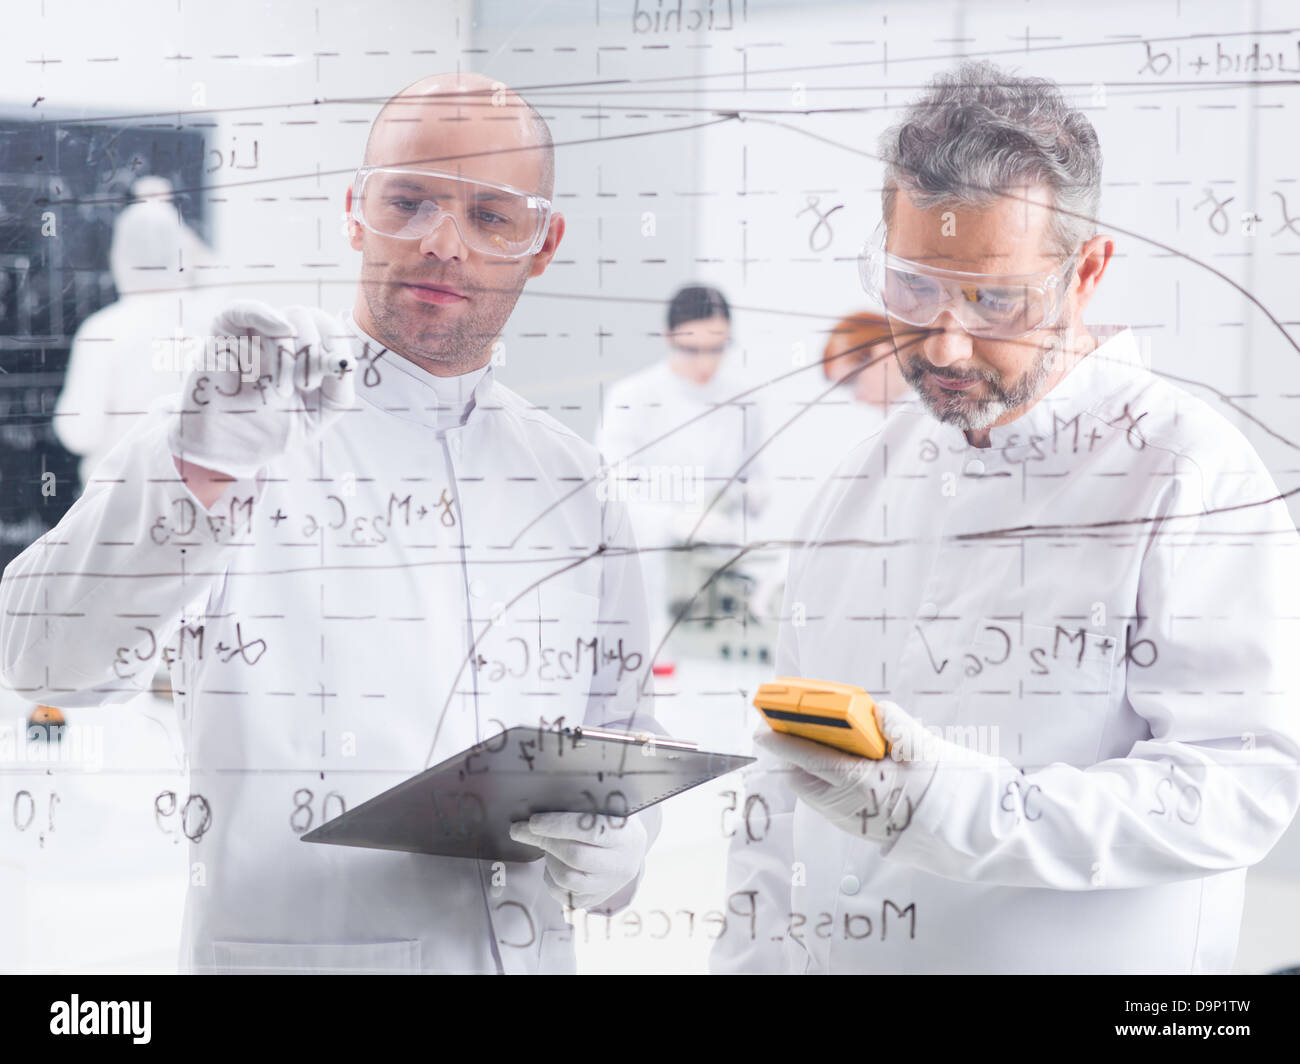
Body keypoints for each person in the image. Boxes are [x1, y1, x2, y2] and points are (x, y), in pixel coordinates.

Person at [1, 73, 661, 974]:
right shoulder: (249, 424)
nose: (442, 242)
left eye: (492, 215)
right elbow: (42, 658)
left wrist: (623, 848)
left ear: (542, 245)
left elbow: (623, 742)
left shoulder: (577, 484)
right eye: (410, 201)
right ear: (354, 212)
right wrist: (197, 472)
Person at [710, 60, 1300, 974]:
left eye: (995, 299)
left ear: (1087, 272)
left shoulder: (1191, 472)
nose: (944, 341)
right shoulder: (861, 481)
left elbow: (1243, 788)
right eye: (911, 286)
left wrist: (957, 809)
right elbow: (782, 792)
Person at [596, 285, 767, 657]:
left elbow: (752, 470)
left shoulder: (744, 402)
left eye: (717, 349)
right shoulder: (632, 398)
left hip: (715, 570)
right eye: (692, 350)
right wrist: (675, 520)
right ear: (668, 336)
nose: (706, 364)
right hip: (648, 565)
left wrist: (754, 491)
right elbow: (614, 490)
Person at [54, 176, 215, 487]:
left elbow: (81, 434)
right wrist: (164, 217)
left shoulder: (103, 331)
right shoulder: (213, 324)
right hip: (199, 501)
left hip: (121, 501)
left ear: (119, 257)